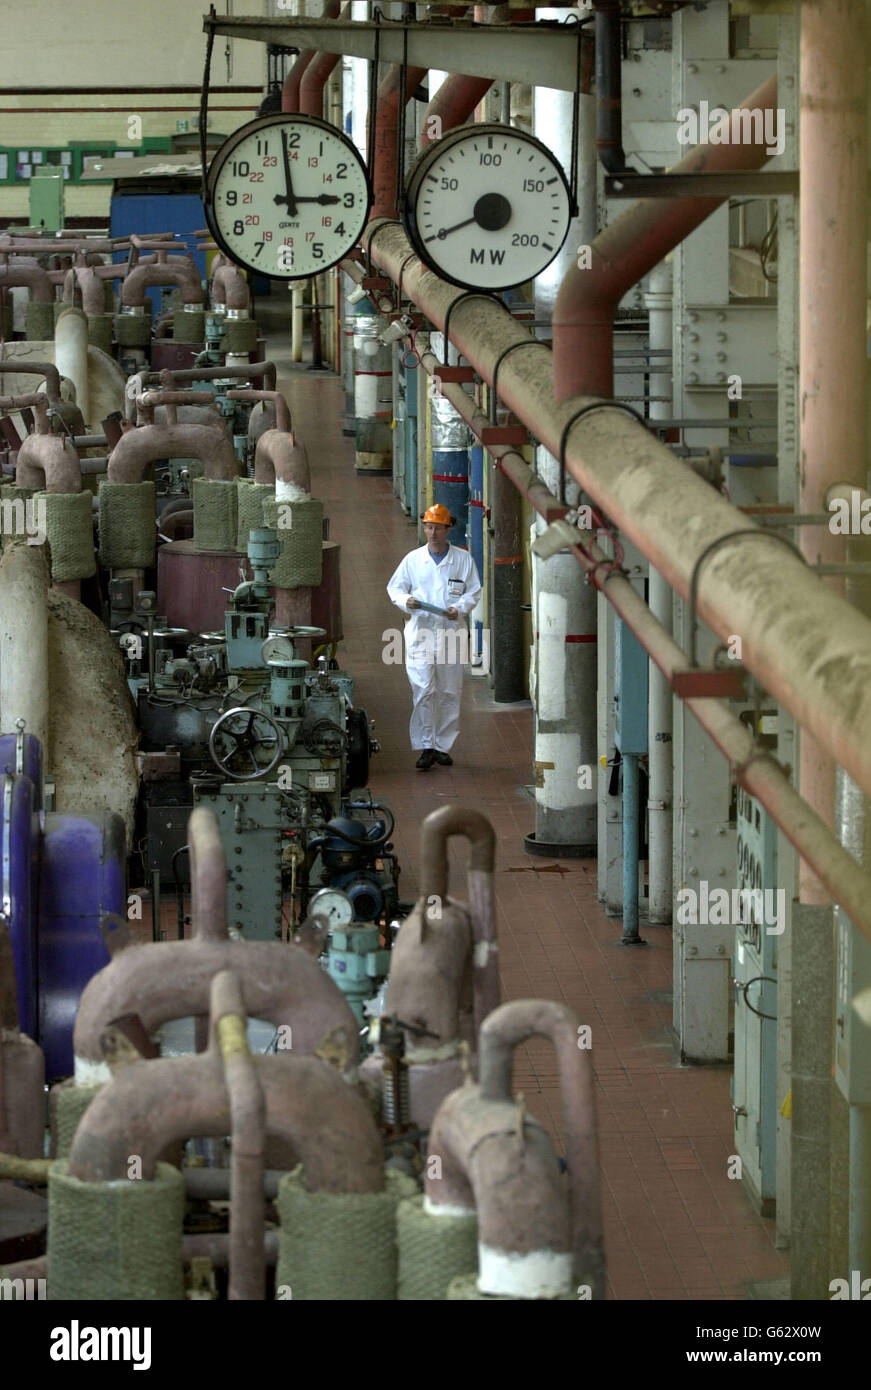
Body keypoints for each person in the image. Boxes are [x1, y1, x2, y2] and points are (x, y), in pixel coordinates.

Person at [386, 503, 482, 769]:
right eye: (429, 527)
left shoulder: (462, 560)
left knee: (449, 690)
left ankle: (442, 746)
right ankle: (426, 745)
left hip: (451, 632)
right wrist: (407, 601)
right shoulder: (413, 560)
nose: (432, 532)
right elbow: (395, 588)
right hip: (421, 633)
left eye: (438, 528)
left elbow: (473, 591)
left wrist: (459, 608)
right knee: (423, 689)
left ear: (447, 529)